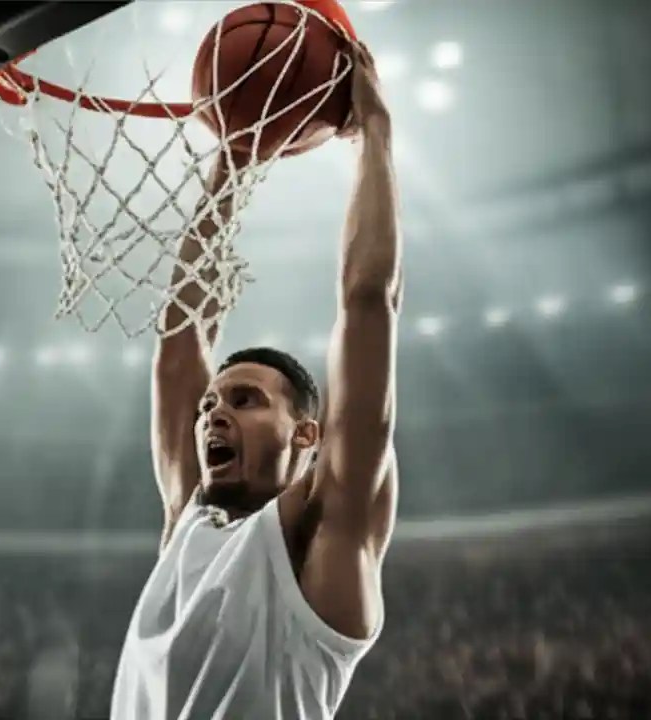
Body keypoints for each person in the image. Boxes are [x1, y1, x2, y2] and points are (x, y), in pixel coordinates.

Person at [111, 43, 401, 719]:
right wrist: (230, 164)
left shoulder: (325, 539)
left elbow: (368, 301)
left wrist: (375, 132)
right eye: (211, 404)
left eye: (245, 401)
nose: (212, 413)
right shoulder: (189, 522)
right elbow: (182, 341)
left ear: (307, 434)